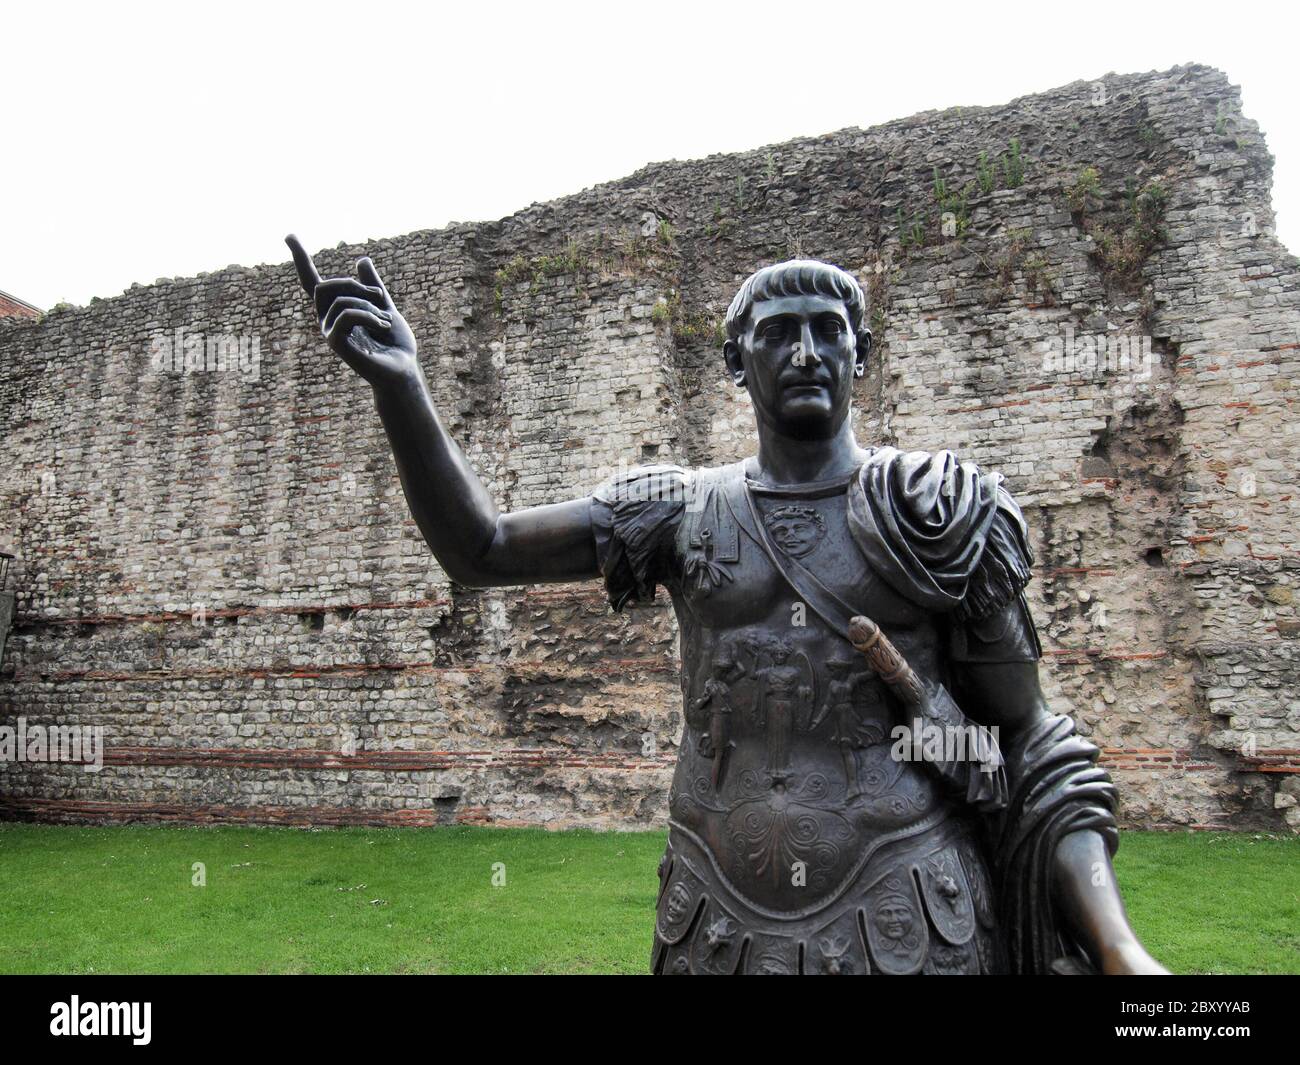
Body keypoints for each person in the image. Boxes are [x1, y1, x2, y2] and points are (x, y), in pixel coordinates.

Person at [287, 237, 1166, 975]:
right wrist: (401, 388)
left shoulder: (936, 508)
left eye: (829, 332)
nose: (807, 354)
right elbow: (481, 549)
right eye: (779, 334)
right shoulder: (677, 509)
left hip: (909, 910)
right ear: (735, 362)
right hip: (717, 923)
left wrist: (1117, 943)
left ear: (862, 351)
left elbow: (1029, 744)